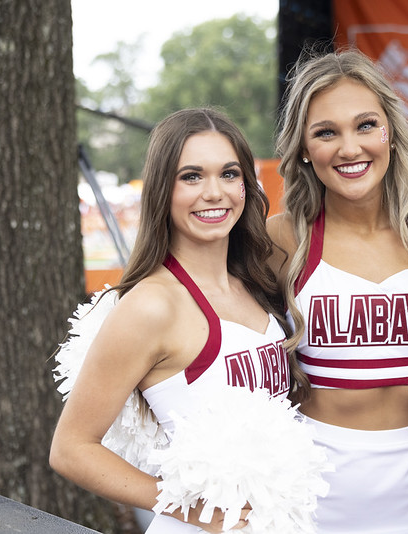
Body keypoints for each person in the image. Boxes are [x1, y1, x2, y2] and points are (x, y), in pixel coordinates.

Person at [50, 108, 302, 533]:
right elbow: (71, 449)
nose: (214, 192)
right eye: (191, 177)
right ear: (162, 189)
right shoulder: (152, 305)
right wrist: (186, 506)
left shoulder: (256, 282)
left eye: (229, 174)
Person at [267, 48, 408, 533]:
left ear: (390, 132)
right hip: (313, 499)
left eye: (365, 125)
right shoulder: (280, 240)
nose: (349, 148)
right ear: (303, 149)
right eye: (326, 132)